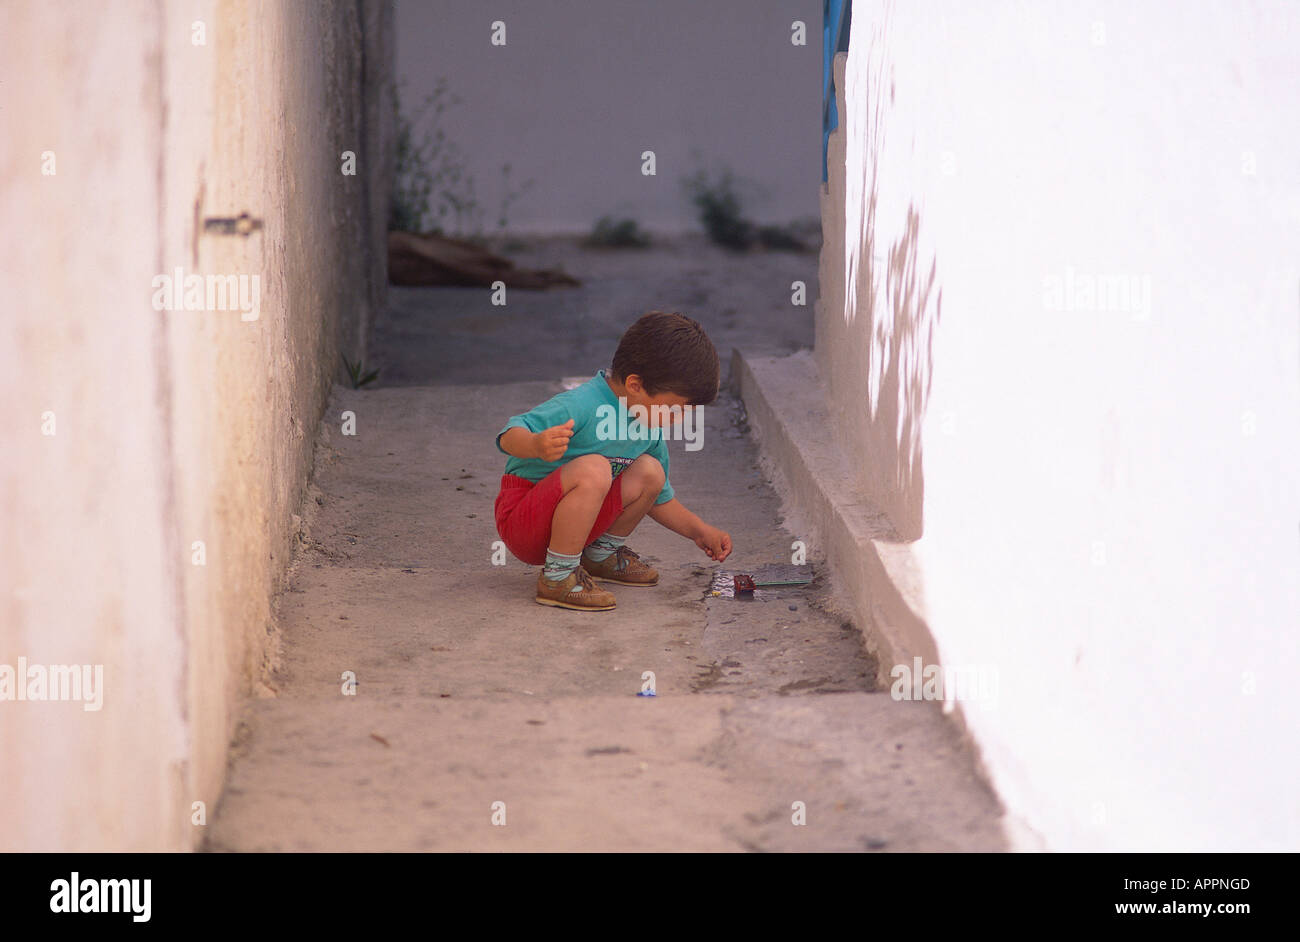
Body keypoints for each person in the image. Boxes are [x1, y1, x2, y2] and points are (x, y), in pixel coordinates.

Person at [494, 311, 733, 611]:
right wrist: (535, 444)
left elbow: (659, 498)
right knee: (594, 469)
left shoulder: (648, 428)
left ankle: (599, 556)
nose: (679, 419)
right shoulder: (582, 404)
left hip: (576, 528)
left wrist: (700, 531)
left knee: (650, 471)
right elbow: (508, 433)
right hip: (524, 522)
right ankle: (558, 577)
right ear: (635, 385)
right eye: (674, 408)